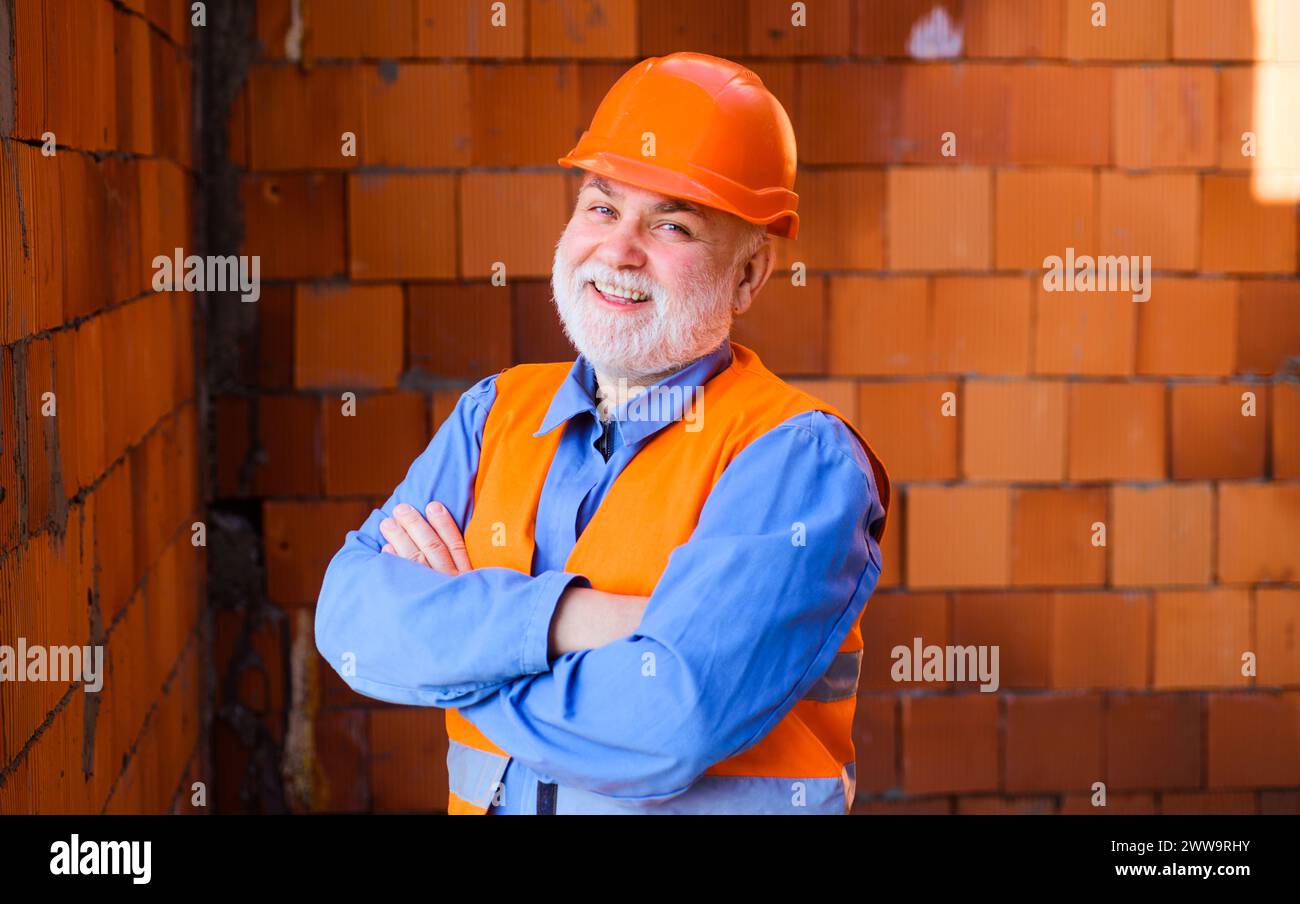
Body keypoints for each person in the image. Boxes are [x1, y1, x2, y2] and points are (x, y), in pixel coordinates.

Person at [314, 51, 892, 814]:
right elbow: (351, 618)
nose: (620, 250)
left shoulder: (799, 459)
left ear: (748, 275)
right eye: (602, 206)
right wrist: (566, 620)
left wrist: (451, 650)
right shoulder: (495, 414)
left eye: (673, 225)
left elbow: (666, 724)